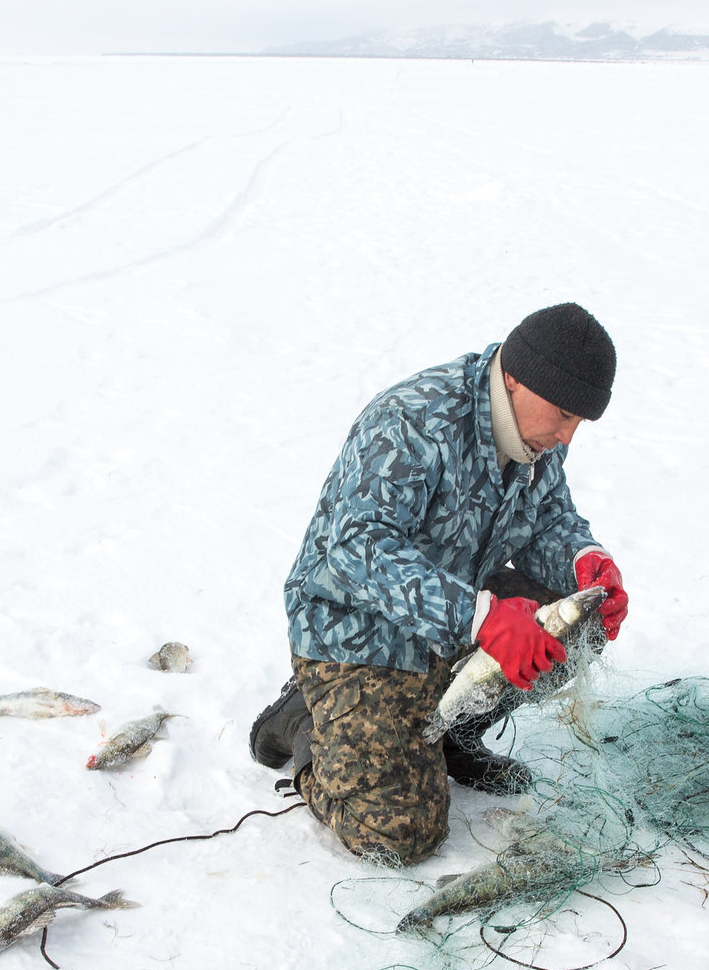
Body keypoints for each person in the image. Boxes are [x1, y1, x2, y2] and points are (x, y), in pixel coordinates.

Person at [247, 302, 631, 864]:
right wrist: (479, 617)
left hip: (457, 606)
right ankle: (309, 723)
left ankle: (452, 732)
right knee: (400, 836)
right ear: (516, 378)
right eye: (564, 414)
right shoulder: (412, 422)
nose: (568, 435)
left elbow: (547, 519)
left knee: (578, 623)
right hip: (358, 631)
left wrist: (585, 561)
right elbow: (355, 548)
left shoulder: (534, 435)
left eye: (580, 423)